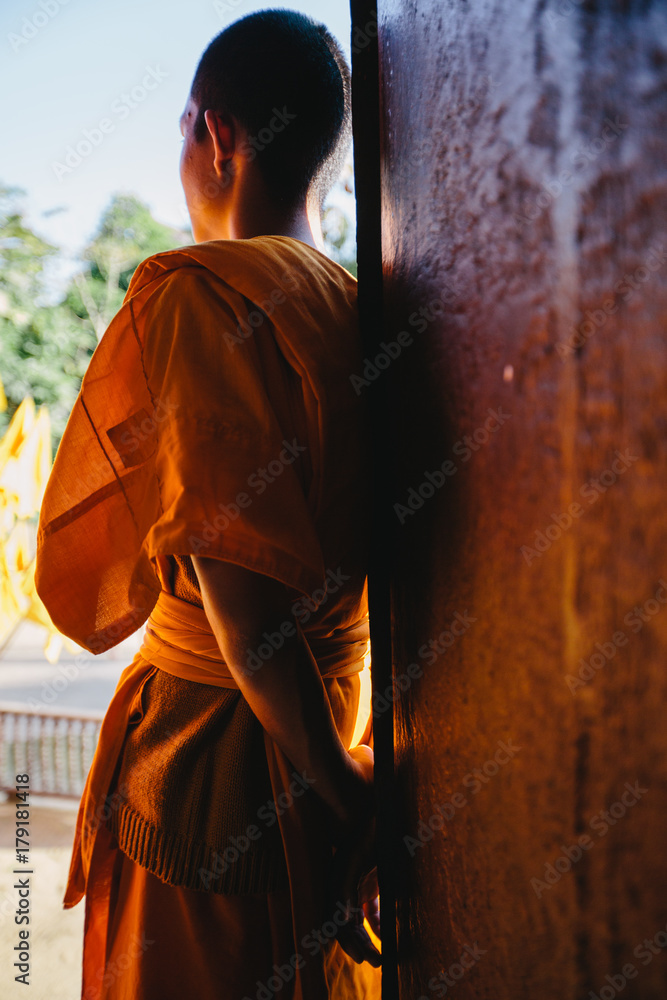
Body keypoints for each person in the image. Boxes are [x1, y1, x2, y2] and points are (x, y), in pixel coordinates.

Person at [35, 9, 381, 999]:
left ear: (213, 133)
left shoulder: (200, 295)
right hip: (333, 734)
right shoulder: (361, 307)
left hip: (217, 773)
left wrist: (340, 785)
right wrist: (346, 782)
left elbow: (248, 610)